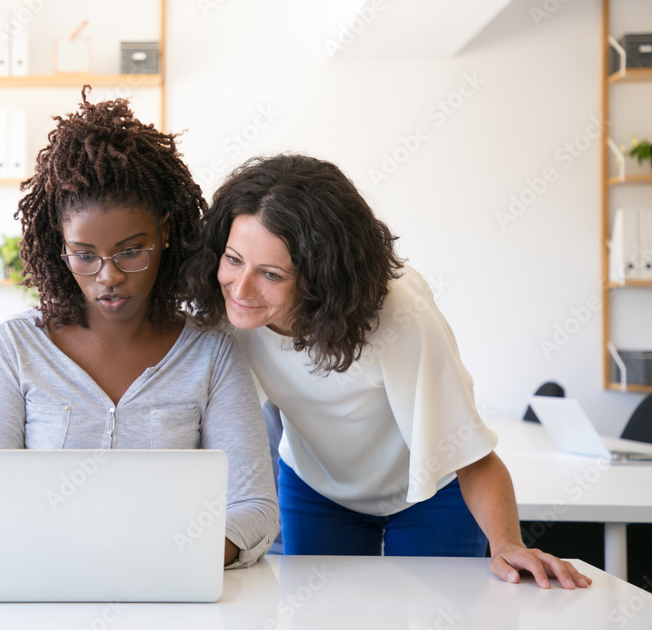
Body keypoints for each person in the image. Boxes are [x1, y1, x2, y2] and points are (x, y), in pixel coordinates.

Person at [183, 153, 591, 588]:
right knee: (324, 626)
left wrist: (508, 543)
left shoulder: (398, 314)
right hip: (317, 486)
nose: (241, 289)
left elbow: (471, 454)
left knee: (443, 624)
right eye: (233, 259)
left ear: (321, 276)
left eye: (271, 274)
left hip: (431, 492)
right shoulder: (225, 311)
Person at [0, 89, 279, 568]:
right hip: (44, 600)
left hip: (170, 598)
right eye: (84, 255)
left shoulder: (212, 353)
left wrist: (168, 557)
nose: (108, 276)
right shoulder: (13, 348)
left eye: (131, 250)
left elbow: (254, 510)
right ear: (59, 245)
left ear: (165, 233)